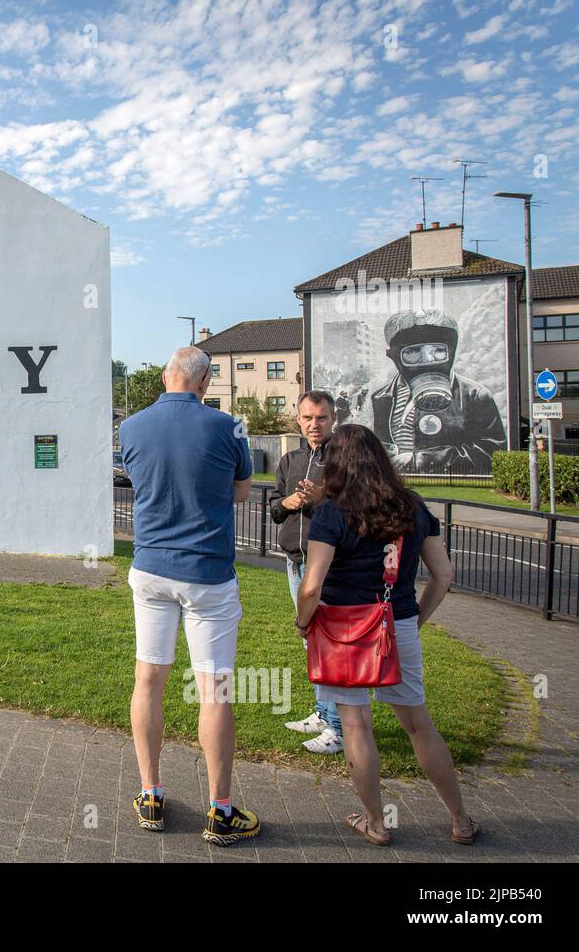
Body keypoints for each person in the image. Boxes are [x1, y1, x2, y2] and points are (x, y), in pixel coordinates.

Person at [293, 423, 481, 847]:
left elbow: (311, 586)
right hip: (398, 623)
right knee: (419, 725)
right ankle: (461, 820)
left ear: (335, 463)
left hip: (344, 629)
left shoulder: (332, 512)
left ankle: (376, 823)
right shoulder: (413, 507)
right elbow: (444, 575)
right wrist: (414, 620)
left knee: (356, 725)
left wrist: (304, 622)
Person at [118, 347, 261, 846]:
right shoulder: (228, 427)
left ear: (165, 377)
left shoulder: (131, 428)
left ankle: (151, 793)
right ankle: (220, 810)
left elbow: (143, 481)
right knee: (214, 690)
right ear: (205, 383)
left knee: (148, 677)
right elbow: (242, 491)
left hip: (151, 569)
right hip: (207, 574)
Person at [268, 390, 344, 755]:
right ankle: (322, 712)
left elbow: (356, 506)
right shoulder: (290, 460)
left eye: (322, 418)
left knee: (328, 643)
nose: (315, 425)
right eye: (308, 418)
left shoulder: (344, 459)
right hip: (293, 560)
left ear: (333, 419)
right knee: (309, 642)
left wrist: (321, 497)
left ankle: (338, 727)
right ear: (297, 420)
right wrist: (288, 502)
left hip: (326, 564)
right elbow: (274, 509)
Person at [371, 310, 506, 472]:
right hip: (397, 486)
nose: (427, 360)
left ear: (451, 351)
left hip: (449, 486)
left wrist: (423, 460)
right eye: (413, 352)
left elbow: (493, 451)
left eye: (437, 351)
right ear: (393, 355)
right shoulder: (381, 398)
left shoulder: (474, 395)